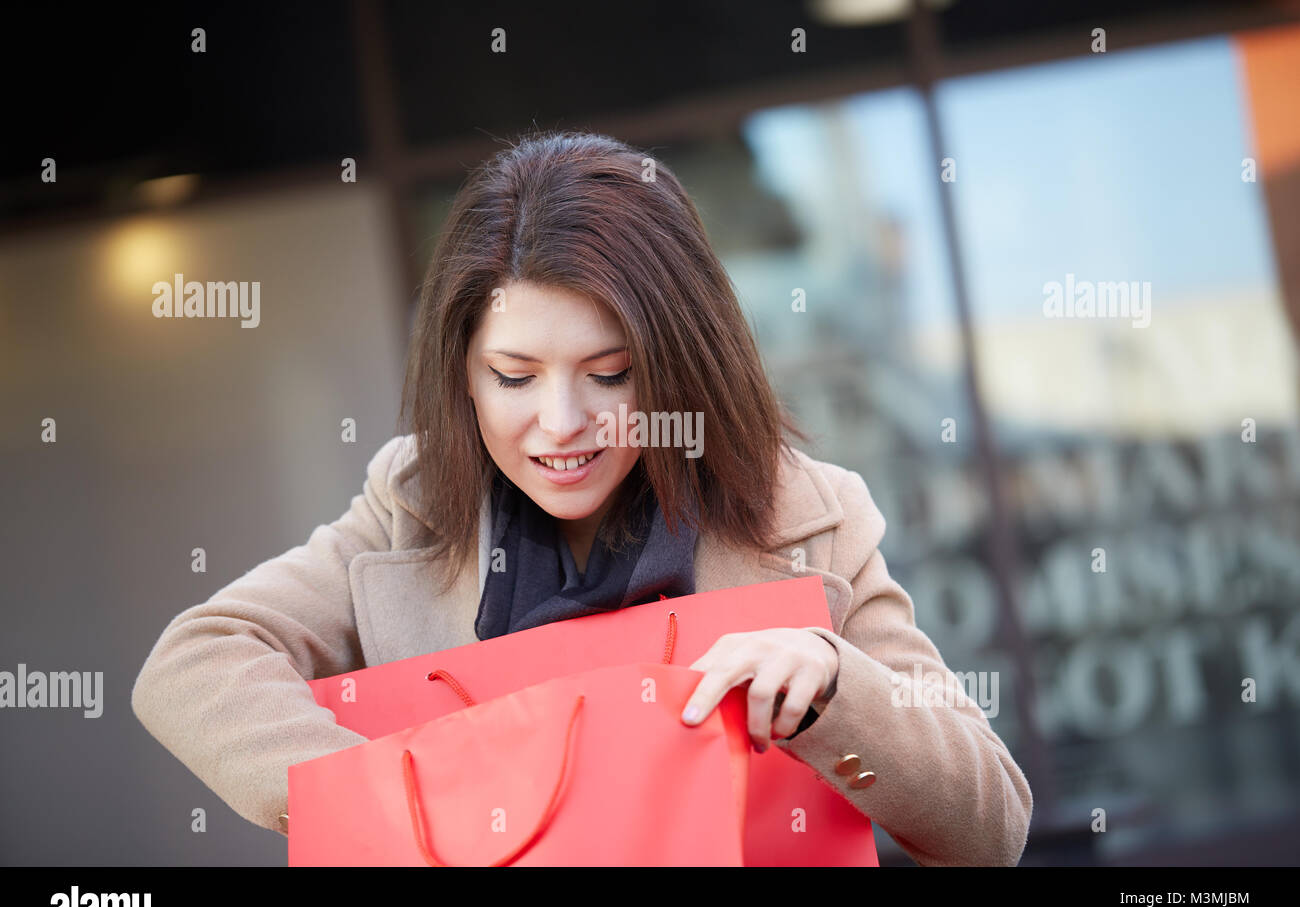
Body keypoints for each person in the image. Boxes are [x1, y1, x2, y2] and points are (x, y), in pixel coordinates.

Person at [132, 130, 1032, 866]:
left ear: (682, 366)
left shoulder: (806, 516)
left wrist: (835, 685)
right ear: (464, 380)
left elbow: (990, 827)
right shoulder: (414, 506)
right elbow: (195, 660)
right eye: (514, 377)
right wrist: (393, 801)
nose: (561, 424)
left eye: (611, 375)